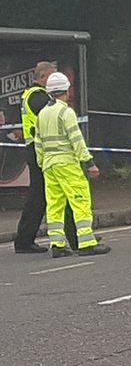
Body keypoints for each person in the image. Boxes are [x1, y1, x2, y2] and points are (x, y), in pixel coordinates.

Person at [35, 72, 109, 257]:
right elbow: (76, 139)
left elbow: (38, 142)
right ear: (67, 91)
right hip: (67, 163)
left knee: (54, 205)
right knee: (80, 200)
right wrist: (89, 162)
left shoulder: (42, 114)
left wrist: (42, 162)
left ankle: (57, 244)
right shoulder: (66, 112)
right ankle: (86, 243)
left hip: (49, 165)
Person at [13, 62, 77, 254]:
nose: (56, 79)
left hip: (40, 150)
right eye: (52, 75)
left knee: (40, 197)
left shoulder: (35, 95)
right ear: (42, 77)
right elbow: (53, 116)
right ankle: (76, 237)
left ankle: (25, 240)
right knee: (55, 193)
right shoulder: (37, 96)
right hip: (41, 150)